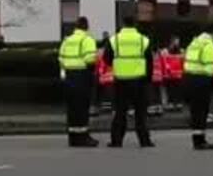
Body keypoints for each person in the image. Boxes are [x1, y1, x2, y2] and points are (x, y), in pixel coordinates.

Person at [107, 16, 155, 148]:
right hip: (139, 81)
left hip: (121, 80)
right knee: (140, 113)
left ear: (123, 24)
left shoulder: (114, 39)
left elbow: (106, 59)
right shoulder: (143, 40)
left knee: (120, 112)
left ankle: (116, 141)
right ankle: (144, 140)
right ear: (134, 24)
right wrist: (148, 80)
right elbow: (150, 62)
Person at [57, 17, 100, 147]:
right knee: (82, 108)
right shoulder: (87, 40)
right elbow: (89, 59)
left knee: (72, 108)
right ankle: (83, 137)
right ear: (86, 27)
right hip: (82, 75)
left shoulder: (67, 40)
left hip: (69, 76)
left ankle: (73, 137)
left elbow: (61, 58)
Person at [183, 28, 213, 150]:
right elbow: (211, 67)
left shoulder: (194, 42)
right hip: (202, 80)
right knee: (202, 111)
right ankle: (200, 141)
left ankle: (196, 139)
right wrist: (212, 82)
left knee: (195, 111)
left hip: (189, 77)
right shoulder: (209, 44)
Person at [153, 37, 179, 116]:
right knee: (164, 90)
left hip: (169, 75)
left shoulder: (177, 51)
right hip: (164, 75)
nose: (177, 44)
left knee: (166, 90)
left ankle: (165, 104)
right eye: (176, 42)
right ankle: (164, 104)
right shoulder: (164, 52)